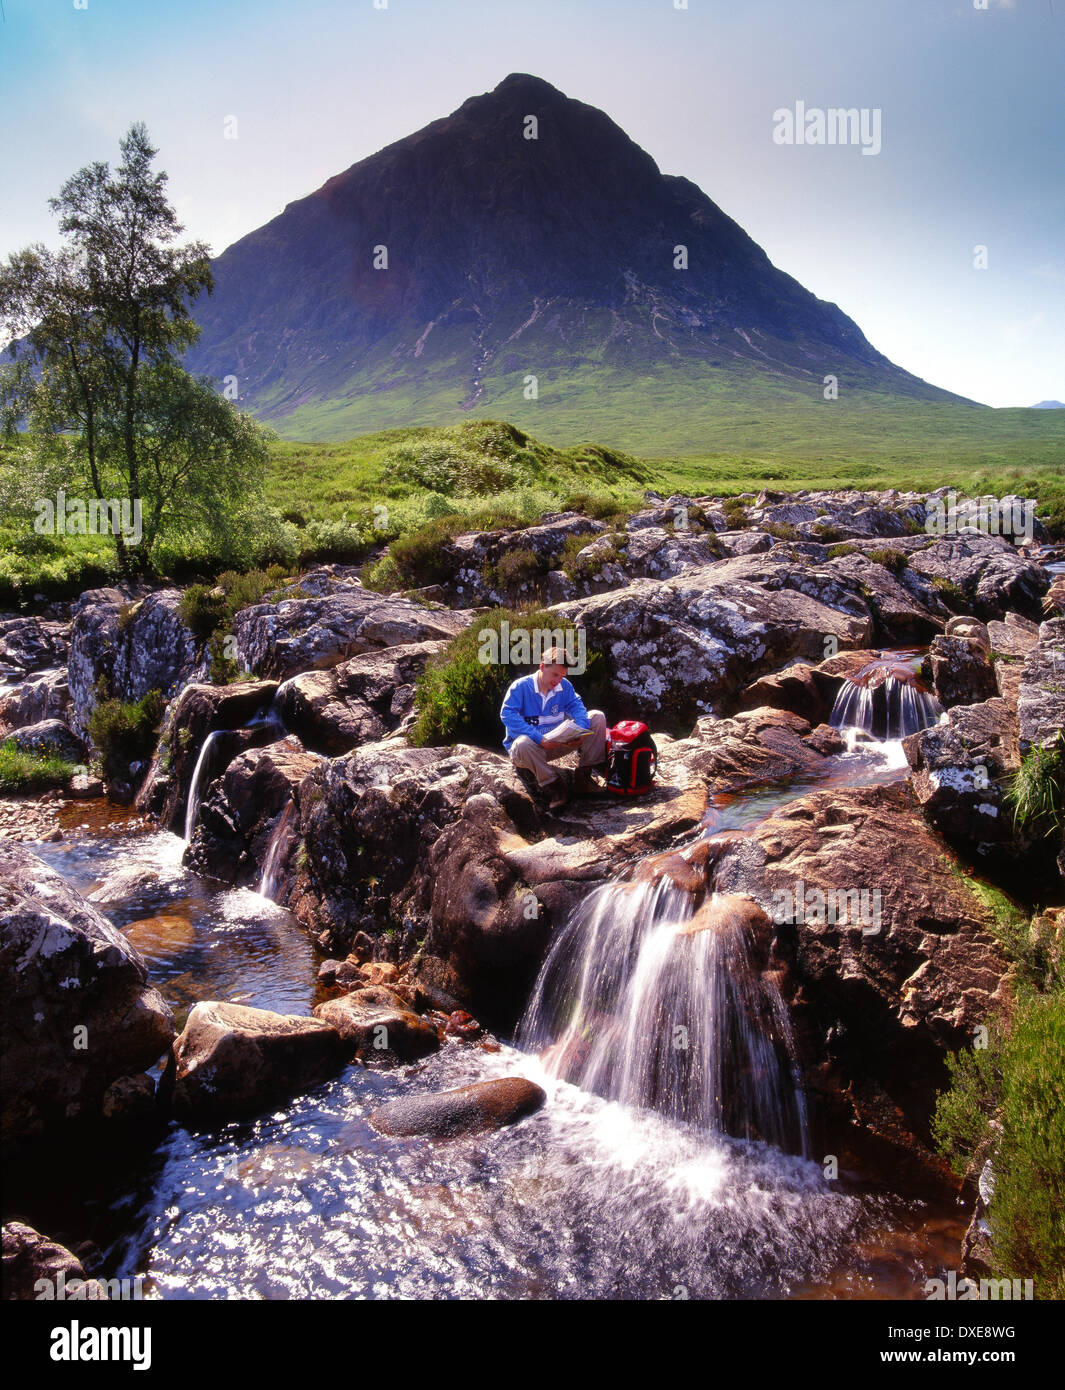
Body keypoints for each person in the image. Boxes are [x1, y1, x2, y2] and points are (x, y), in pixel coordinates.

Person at [500, 647, 608, 810]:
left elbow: (578, 707)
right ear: (542, 666)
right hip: (529, 751)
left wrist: (581, 730)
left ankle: (583, 777)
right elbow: (507, 714)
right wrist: (539, 738)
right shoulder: (520, 687)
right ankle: (555, 787)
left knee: (597, 717)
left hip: (556, 745)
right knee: (522, 743)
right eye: (555, 674)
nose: (558, 680)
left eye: (562, 676)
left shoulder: (564, 686)